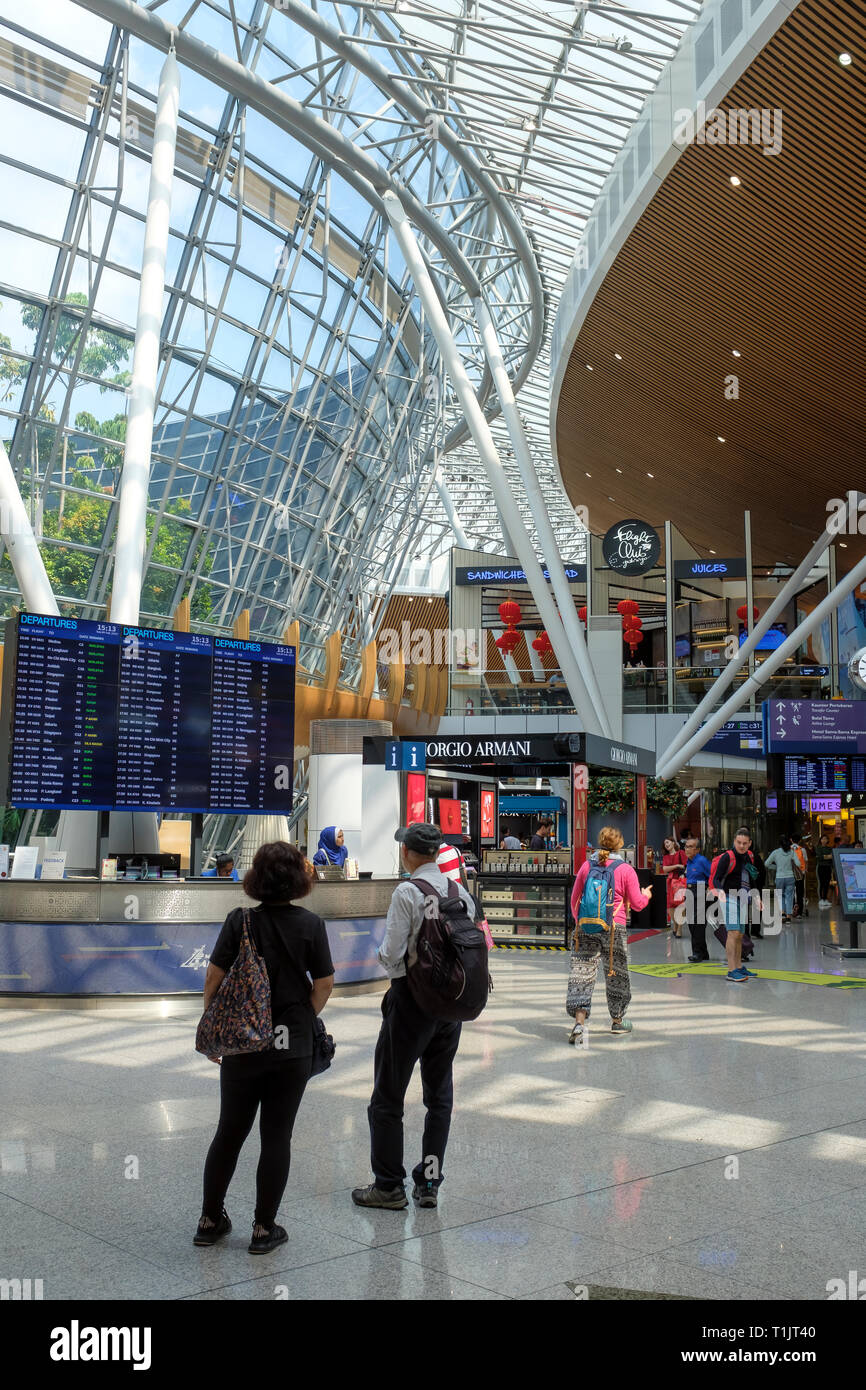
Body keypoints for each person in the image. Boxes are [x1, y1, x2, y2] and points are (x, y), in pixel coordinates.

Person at [196, 842, 334, 1253]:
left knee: (229, 1133)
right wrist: (301, 1017)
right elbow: (324, 983)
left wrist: (218, 1031)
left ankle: (209, 1220)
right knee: (277, 1136)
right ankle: (262, 1229)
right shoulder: (311, 924)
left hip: (242, 1045)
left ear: (256, 878)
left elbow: (213, 980)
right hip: (290, 1045)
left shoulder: (239, 921)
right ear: (297, 879)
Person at [353, 821, 477, 1211]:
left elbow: (391, 953)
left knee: (388, 1096)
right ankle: (429, 1181)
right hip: (451, 1007)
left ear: (407, 852)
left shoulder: (407, 891)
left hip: (410, 1004)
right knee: (439, 1098)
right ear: (438, 852)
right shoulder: (460, 893)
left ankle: (388, 1185)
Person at [567, 826, 651, 1043]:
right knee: (616, 974)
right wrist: (646, 895)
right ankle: (617, 1021)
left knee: (582, 974)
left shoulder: (587, 866)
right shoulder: (625, 869)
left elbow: (574, 900)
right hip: (614, 928)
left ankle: (579, 1023)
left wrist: (581, 923)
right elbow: (639, 904)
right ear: (619, 844)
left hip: (586, 928)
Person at [712, 827, 760, 983]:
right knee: (732, 934)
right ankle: (731, 970)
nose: (741, 846)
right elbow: (716, 878)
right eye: (739, 842)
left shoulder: (748, 857)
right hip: (729, 898)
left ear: (749, 843)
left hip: (743, 898)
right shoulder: (728, 857)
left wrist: (757, 897)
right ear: (734, 841)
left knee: (739, 935)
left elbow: (752, 878)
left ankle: (739, 967)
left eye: (745, 843)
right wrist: (720, 892)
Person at [683, 838, 713, 961]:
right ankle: (703, 952)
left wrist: (710, 889)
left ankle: (697, 953)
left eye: (690, 847)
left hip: (700, 890)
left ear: (697, 849)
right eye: (686, 846)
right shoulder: (689, 861)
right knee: (691, 923)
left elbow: (712, 875)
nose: (687, 849)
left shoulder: (702, 861)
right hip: (690, 891)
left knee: (697, 924)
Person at [765, 835, 799, 924]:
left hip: (779, 877)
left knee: (780, 896)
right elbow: (798, 864)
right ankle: (788, 917)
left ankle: (783, 913)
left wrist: (776, 867)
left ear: (779, 844)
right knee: (789, 896)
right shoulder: (792, 852)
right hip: (790, 877)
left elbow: (766, 864)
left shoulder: (775, 852)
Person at [661, 836, 687, 934]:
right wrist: (676, 866)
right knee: (670, 905)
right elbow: (664, 869)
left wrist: (683, 872)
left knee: (680, 904)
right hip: (670, 882)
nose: (666, 845)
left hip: (680, 881)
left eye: (667, 842)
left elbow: (686, 865)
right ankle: (675, 923)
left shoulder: (681, 853)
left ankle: (679, 928)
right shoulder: (666, 857)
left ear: (673, 842)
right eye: (665, 844)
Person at [790, 835, 808, 917]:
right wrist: (806, 869)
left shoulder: (788, 849)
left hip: (791, 873)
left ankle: (793, 909)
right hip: (801, 873)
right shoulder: (802, 849)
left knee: (791, 892)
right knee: (800, 892)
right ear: (800, 840)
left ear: (791, 840)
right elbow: (806, 861)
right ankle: (799, 912)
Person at [815, 833, 833, 907]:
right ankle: (821, 899)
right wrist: (828, 856)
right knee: (821, 883)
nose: (824, 840)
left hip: (828, 867)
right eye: (823, 839)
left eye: (826, 839)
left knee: (827, 883)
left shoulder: (830, 848)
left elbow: (832, 857)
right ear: (821, 840)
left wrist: (826, 856)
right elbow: (820, 857)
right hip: (821, 867)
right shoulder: (818, 848)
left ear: (828, 840)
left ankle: (825, 899)